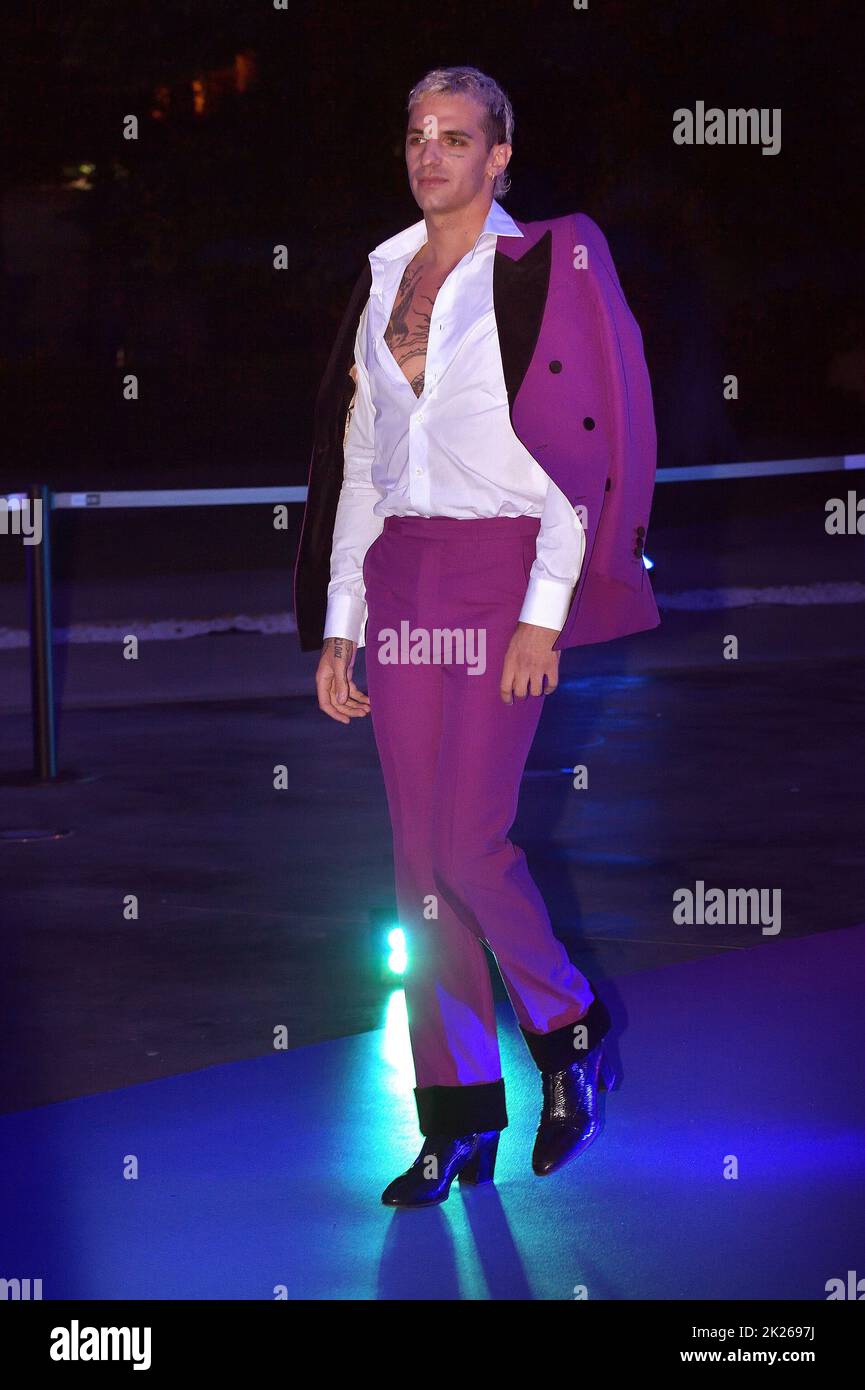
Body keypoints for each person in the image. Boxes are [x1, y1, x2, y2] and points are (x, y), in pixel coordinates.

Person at [293, 65, 659, 1207]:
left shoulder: (544, 265)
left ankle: (568, 1025)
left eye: (455, 136)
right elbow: (360, 463)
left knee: (468, 845)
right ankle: (453, 1120)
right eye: (416, 133)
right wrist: (339, 627)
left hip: (505, 569)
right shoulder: (383, 274)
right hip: (400, 568)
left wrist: (546, 611)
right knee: (417, 867)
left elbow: (577, 451)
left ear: (499, 155)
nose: (430, 152)